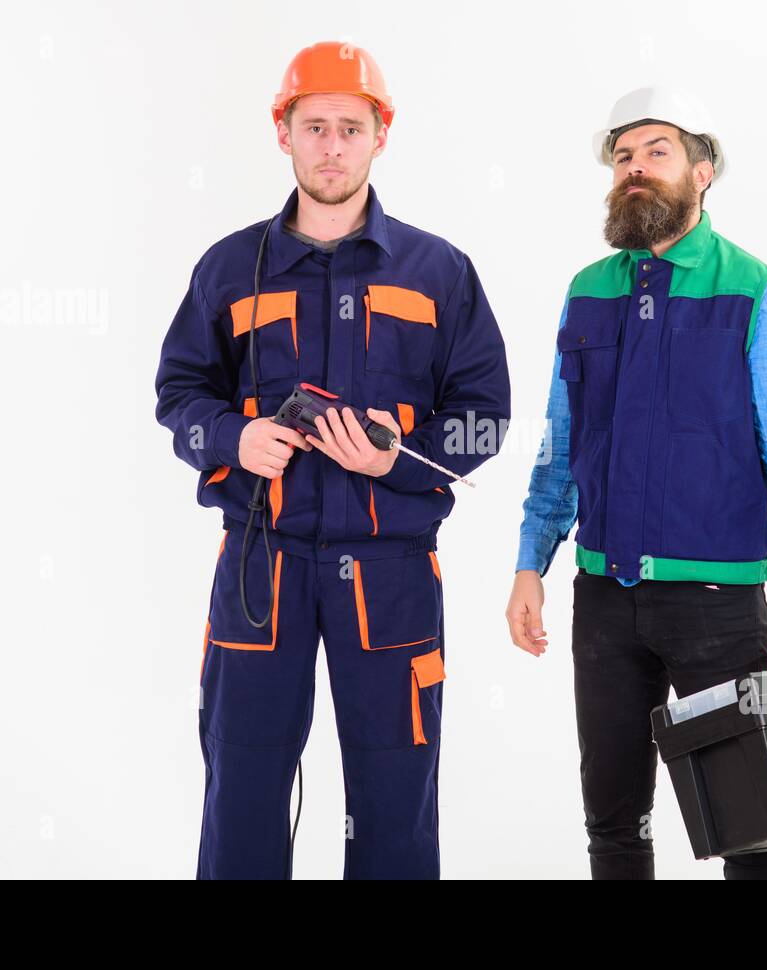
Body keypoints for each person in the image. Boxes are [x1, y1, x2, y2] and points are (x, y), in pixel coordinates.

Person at [156, 41, 510, 879]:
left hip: (388, 574)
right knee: (240, 795)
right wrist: (230, 438)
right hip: (260, 567)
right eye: (313, 126)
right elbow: (179, 393)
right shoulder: (227, 267)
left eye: (351, 127)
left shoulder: (439, 272)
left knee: (395, 803)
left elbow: (483, 422)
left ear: (381, 135)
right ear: (283, 132)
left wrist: (400, 466)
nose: (332, 145)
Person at [506, 86, 767, 880]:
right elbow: (562, 440)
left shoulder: (754, 290)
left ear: (703, 169)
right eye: (623, 157)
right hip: (605, 600)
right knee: (613, 821)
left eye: (657, 152)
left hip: (717, 606)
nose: (635, 170)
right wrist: (530, 559)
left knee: (749, 828)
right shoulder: (590, 290)